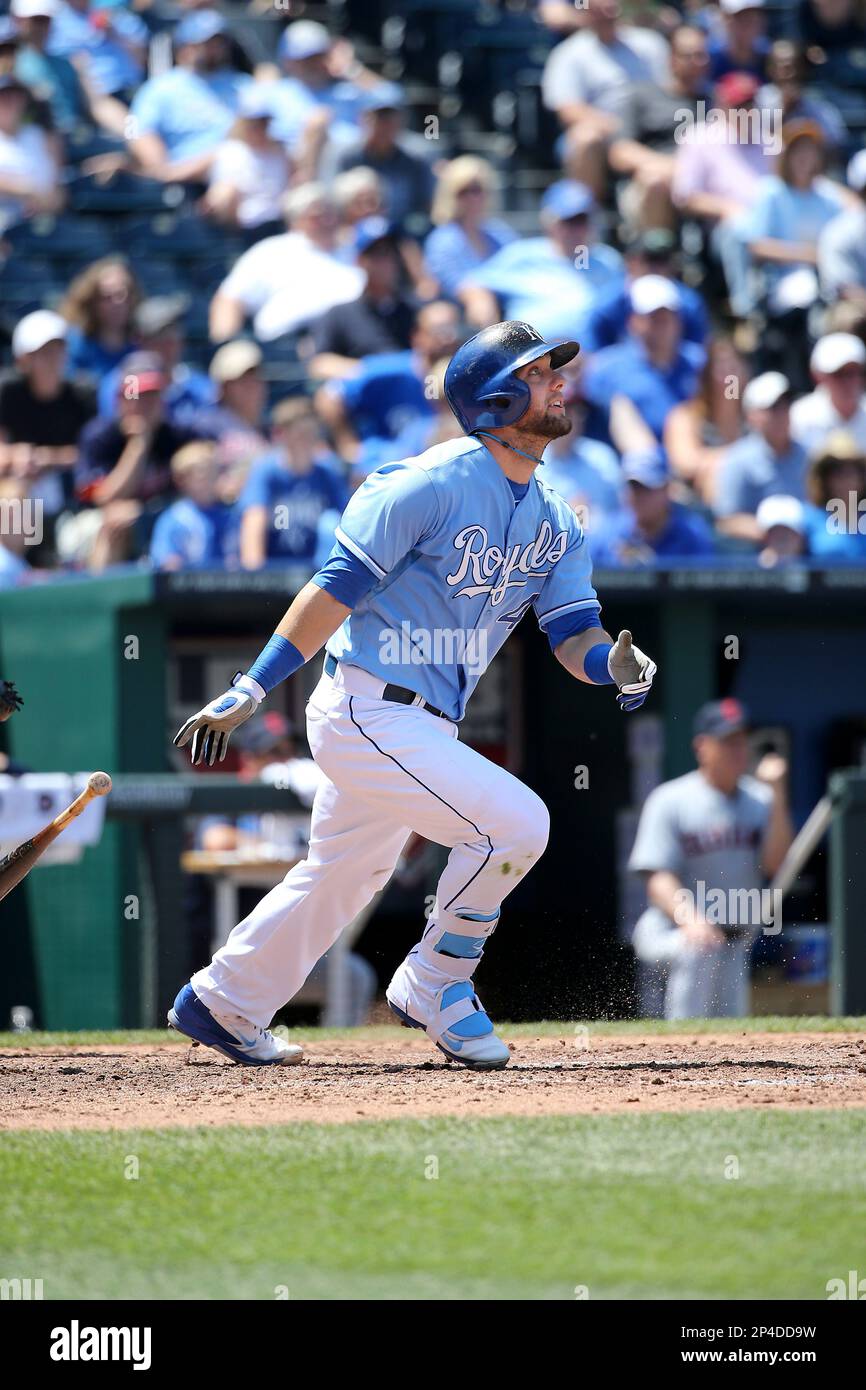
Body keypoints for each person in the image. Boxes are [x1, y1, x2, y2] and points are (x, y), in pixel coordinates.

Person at [168, 319, 659, 1068]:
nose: (560, 380)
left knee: (345, 871)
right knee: (517, 824)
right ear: (496, 396)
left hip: (425, 726)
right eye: (539, 371)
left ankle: (223, 1001)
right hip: (367, 705)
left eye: (556, 368)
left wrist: (611, 666)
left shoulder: (557, 517)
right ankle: (436, 979)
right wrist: (251, 687)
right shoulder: (427, 481)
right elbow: (332, 590)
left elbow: (574, 636)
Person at [629, 697, 793, 1020]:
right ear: (702, 746)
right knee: (697, 951)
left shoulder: (761, 799)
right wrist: (690, 918)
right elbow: (656, 877)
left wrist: (778, 793)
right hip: (671, 931)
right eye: (727, 741)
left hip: (733, 939)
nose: (738, 749)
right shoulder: (671, 799)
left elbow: (776, 863)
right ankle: (680, 1050)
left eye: (742, 740)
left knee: (730, 1031)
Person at [70, 352, 201, 569]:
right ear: (120, 400)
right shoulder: (99, 437)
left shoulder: (177, 434)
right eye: (137, 396)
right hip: (94, 521)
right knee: (115, 525)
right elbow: (102, 497)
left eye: (153, 395)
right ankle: (99, 599)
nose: (146, 404)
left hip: (158, 514)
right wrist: (138, 444)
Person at [458, 179, 623, 343]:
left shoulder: (607, 261)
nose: (576, 229)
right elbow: (474, 282)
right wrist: (481, 302)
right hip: (534, 359)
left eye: (582, 220)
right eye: (568, 221)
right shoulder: (524, 255)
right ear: (549, 222)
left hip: (592, 358)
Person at [541, 0, 670, 200]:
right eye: (599, 10)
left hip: (649, 131)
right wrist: (618, 128)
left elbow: (671, 92)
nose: (607, 14)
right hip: (604, 135)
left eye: (611, 9)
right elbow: (568, 110)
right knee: (585, 138)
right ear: (586, 12)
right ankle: (587, 219)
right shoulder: (569, 53)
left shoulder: (650, 44)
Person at [208, 182, 365, 343]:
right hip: (289, 344)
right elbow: (229, 299)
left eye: (331, 213)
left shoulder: (357, 249)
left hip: (354, 339)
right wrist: (226, 346)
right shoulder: (272, 251)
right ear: (295, 220)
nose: (327, 221)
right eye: (317, 216)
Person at [315, 300, 460, 464]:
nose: (448, 338)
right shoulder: (390, 370)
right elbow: (328, 395)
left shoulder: (464, 375)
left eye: (454, 329)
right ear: (417, 336)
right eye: (439, 331)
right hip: (386, 468)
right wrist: (348, 446)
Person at [0, 309, 95, 547]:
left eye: (58, 350)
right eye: (43, 353)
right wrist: (16, 456)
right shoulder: (7, 392)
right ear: (22, 360)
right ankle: (18, 569)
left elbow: (91, 451)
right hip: (19, 483)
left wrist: (46, 458)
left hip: (72, 489)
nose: (53, 359)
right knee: (13, 498)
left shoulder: (83, 394)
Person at [127, 9, 249, 186]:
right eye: (206, 43)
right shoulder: (161, 87)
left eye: (218, 42)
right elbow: (134, 127)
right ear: (187, 46)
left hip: (235, 172)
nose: (214, 49)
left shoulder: (244, 85)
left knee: (233, 155)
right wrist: (159, 167)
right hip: (181, 179)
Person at [608, 24, 712, 232]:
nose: (696, 62)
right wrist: (676, 168)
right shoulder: (642, 96)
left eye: (701, 55)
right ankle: (658, 257)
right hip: (654, 186)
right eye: (688, 55)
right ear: (671, 59)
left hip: (707, 187)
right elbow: (620, 154)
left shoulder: (717, 101)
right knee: (655, 181)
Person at [580, 275, 705, 445]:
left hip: (692, 459)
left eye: (668, 316)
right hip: (628, 465)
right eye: (653, 317)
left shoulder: (699, 363)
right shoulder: (605, 368)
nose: (662, 324)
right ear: (633, 321)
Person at [238, 397, 347, 569]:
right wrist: (254, 577)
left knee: (330, 521)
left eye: (312, 434)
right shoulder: (266, 471)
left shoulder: (327, 472)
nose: (308, 441)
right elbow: (253, 519)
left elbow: (346, 521)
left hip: (316, 571)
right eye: (301, 434)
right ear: (280, 434)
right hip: (275, 569)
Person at [307, 217, 417, 380]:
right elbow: (320, 364)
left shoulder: (416, 309)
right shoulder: (340, 314)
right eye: (378, 254)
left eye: (392, 252)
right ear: (360, 260)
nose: (387, 261)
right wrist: (372, 371)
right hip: (367, 398)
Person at [579, 227, 708, 353]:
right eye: (651, 259)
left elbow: (698, 353)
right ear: (632, 262)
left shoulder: (688, 304)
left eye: (664, 260)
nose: (657, 267)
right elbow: (594, 355)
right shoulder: (608, 304)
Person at [714, 372, 808, 541]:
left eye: (785, 405)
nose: (781, 413)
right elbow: (727, 520)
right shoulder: (738, 460)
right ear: (752, 416)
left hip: (806, 550)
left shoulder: (808, 456)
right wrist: (777, 535)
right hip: (754, 557)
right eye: (773, 408)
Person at [97, 294, 216, 427]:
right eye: (160, 337)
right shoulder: (125, 383)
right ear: (140, 341)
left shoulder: (198, 385)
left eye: (174, 335)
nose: (169, 345)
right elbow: (123, 429)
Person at [328, 82, 435, 228]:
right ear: (364, 119)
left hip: (401, 235)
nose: (385, 124)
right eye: (380, 117)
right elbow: (336, 206)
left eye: (391, 118)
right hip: (355, 234)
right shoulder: (347, 156)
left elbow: (425, 206)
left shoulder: (416, 159)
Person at [589, 446, 717, 565]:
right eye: (633, 488)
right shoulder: (607, 533)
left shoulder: (692, 536)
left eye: (647, 488)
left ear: (666, 489)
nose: (639, 496)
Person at [664, 336, 748, 504]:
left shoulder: (755, 417)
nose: (728, 374)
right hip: (694, 503)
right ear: (706, 374)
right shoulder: (686, 416)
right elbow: (686, 463)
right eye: (721, 366)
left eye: (733, 366)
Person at [202, 83, 290, 232]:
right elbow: (221, 196)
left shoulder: (280, 152)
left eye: (264, 122)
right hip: (246, 228)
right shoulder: (230, 152)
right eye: (254, 123)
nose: (260, 128)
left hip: (280, 222)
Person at [424, 156, 516, 299]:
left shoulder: (500, 233)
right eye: (463, 191)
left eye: (477, 189)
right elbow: (452, 283)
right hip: (462, 313)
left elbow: (517, 270)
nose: (472, 198)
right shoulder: (442, 240)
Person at [149, 440, 239, 571]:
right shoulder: (174, 519)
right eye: (202, 474)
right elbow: (166, 561)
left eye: (214, 472)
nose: (210, 480)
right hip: (189, 588)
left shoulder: (231, 515)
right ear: (181, 480)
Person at [0, 70, 61, 231]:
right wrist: (27, 191)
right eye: (3, 97)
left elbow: (57, 191)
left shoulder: (36, 135)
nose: (10, 103)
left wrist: (48, 200)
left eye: (15, 96)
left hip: (42, 219)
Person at [59, 256, 139, 379]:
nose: (117, 303)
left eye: (122, 294)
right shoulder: (75, 345)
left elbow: (133, 394)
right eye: (107, 297)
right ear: (92, 302)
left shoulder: (141, 346)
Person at [790, 332, 866, 454]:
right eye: (838, 374)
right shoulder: (799, 418)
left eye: (853, 372)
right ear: (817, 376)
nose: (847, 382)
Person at [802, 430, 866, 560]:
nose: (845, 480)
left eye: (852, 472)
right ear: (825, 479)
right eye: (837, 472)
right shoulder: (807, 518)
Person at [818, 150, 866, 313]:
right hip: (856, 314)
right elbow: (845, 291)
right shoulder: (839, 232)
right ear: (857, 192)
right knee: (847, 316)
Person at [753, 493, 808, 565]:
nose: (782, 539)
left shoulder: (817, 569)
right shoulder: (750, 569)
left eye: (787, 532)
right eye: (775, 532)